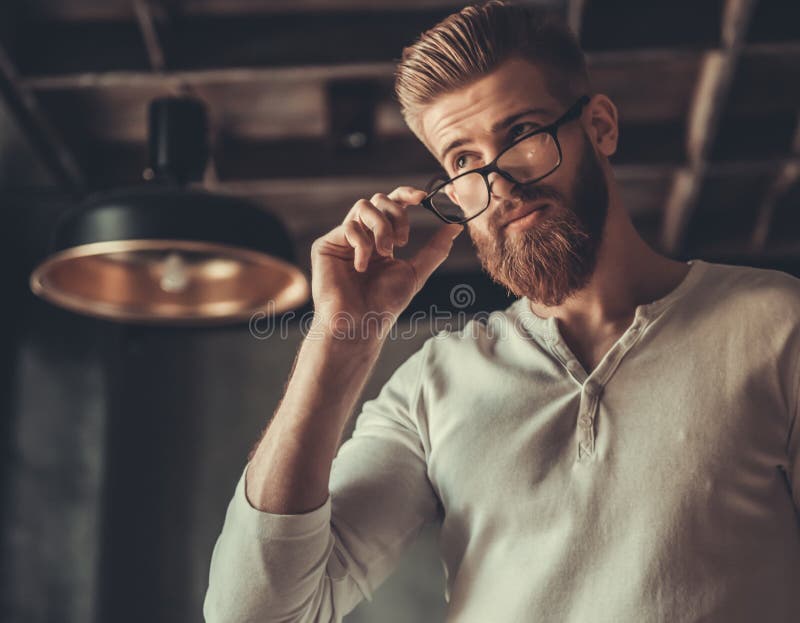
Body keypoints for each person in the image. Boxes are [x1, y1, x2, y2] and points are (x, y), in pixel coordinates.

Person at [203, 2, 800, 621]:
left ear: (599, 127)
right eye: (462, 160)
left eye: (521, 133)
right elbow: (254, 614)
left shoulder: (777, 324)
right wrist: (339, 343)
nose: (502, 184)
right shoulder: (434, 389)